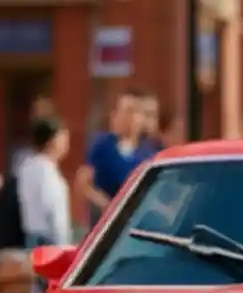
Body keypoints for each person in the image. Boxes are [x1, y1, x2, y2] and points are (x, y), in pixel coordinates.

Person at [76, 89, 156, 222]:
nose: (129, 117)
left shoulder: (148, 153)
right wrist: (104, 203)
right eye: (125, 111)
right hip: (104, 222)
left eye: (134, 111)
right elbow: (83, 183)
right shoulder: (102, 145)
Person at [17, 116, 72, 249]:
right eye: (63, 137)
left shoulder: (28, 166)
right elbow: (51, 206)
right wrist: (62, 242)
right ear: (51, 141)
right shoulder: (45, 170)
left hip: (33, 235)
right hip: (49, 238)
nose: (66, 143)